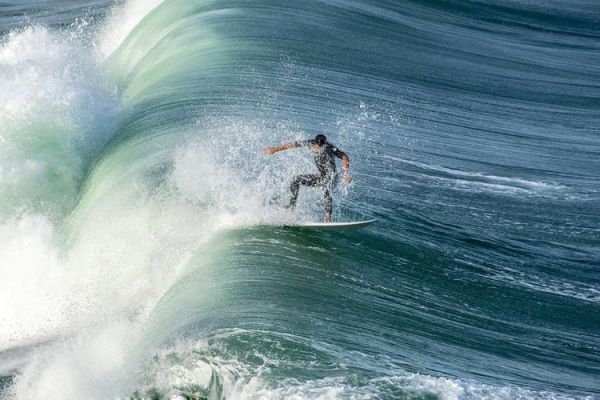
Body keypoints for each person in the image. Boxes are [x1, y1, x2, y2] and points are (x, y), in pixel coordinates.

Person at [263, 133, 351, 222]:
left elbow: (344, 157)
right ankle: (291, 207)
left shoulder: (330, 147)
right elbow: (292, 145)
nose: (319, 148)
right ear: (315, 143)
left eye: (322, 146)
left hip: (332, 177)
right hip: (321, 176)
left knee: (326, 187)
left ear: (324, 144)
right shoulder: (310, 143)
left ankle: (328, 217)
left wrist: (346, 173)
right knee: (296, 180)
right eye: (318, 146)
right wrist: (275, 149)